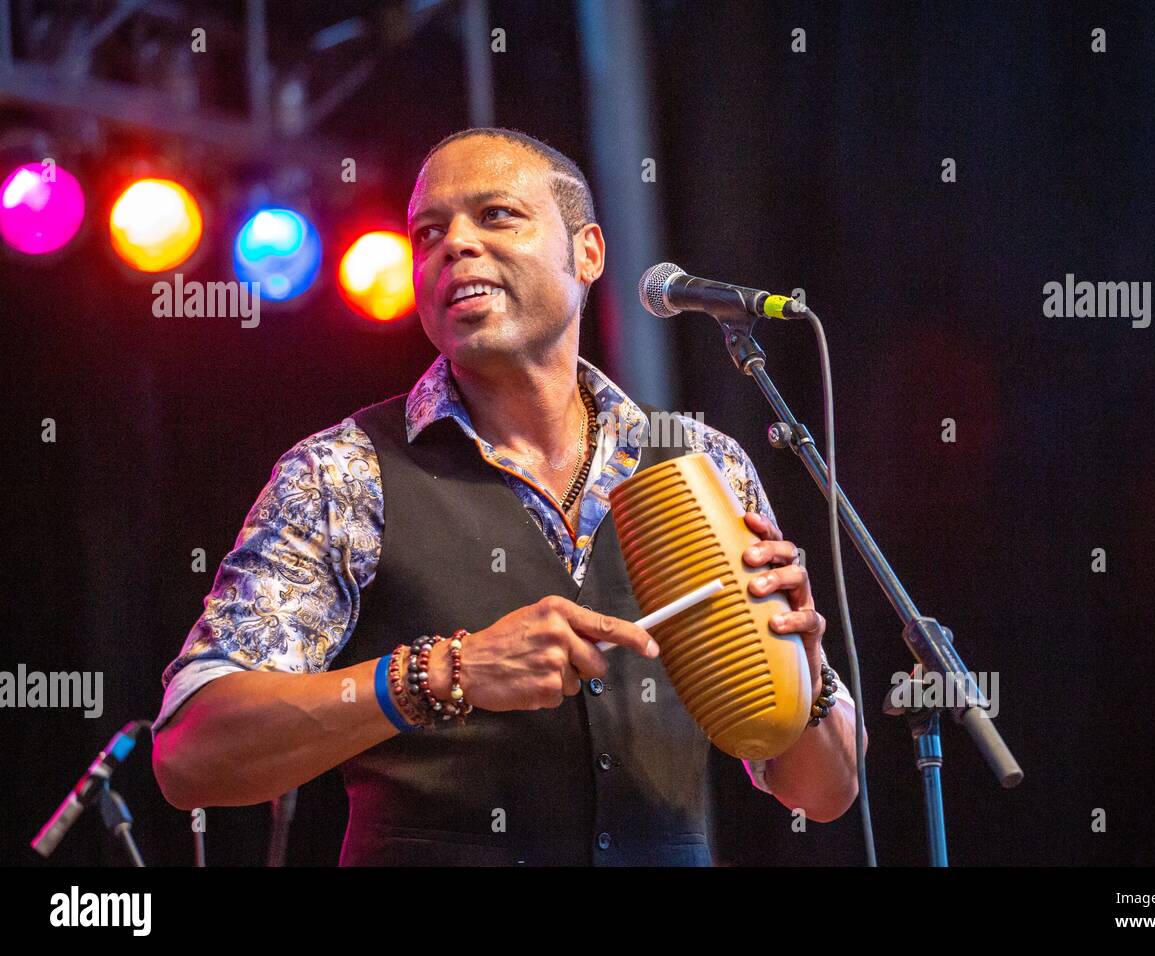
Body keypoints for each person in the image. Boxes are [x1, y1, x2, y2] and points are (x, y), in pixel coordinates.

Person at [151, 127, 862, 865]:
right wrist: (440, 674)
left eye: (496, 216)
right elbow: (191, 752)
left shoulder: (707, 466)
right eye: (429, 232)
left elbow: (822, 793)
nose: (453, 244)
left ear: (587, 252)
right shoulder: (341, 473)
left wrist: (804, 679)